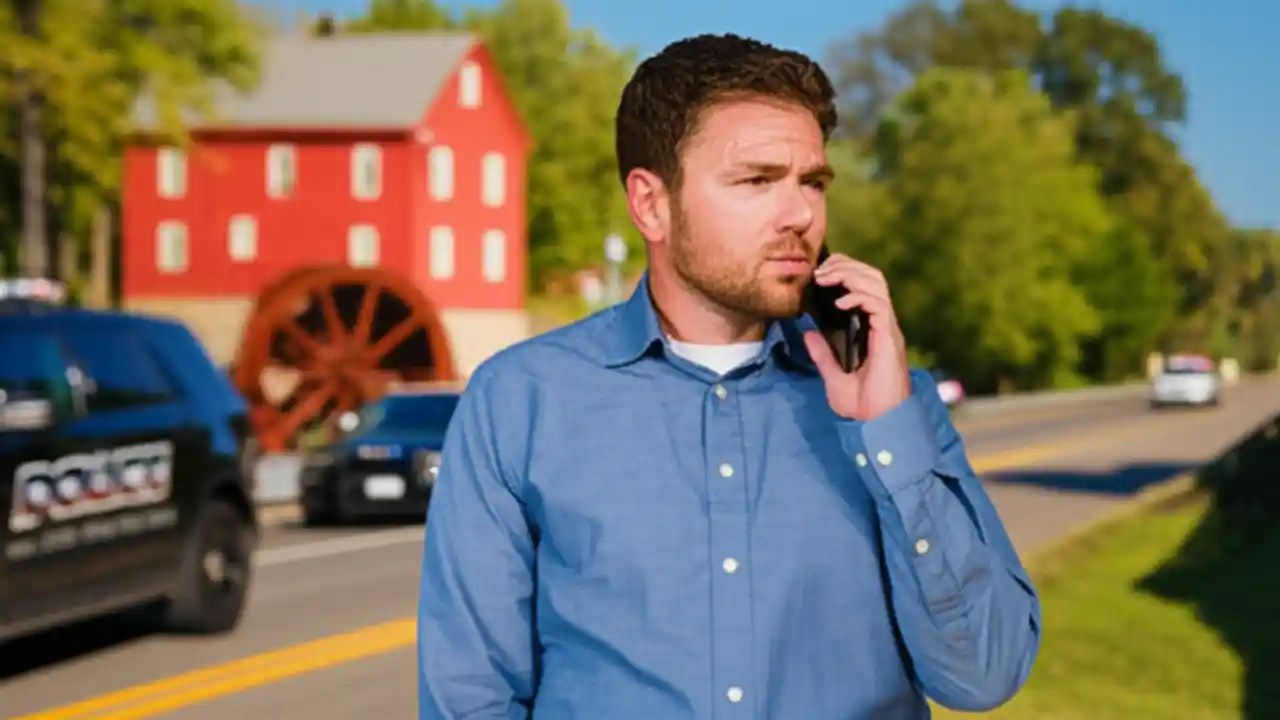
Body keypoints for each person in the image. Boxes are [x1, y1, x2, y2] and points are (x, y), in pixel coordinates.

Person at [417, 32, 1041, 719]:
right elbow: (470, 700)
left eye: (812, 182)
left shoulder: (895, 403)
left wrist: (886, 433)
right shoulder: (520, 402)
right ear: (651, 205)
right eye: (757, 181)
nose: (801, 214)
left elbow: (986, 675)